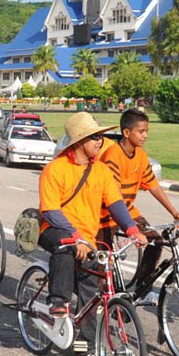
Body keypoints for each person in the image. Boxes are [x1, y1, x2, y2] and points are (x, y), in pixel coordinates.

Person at [38, 112, 147, 324]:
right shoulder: (55, 169)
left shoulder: (101, 170)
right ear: (80, 141)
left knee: (92, 284)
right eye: (95, 137)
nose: (101, 142)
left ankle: (85, 347)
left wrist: (133, 229)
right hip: (53, 229)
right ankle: (59, 300)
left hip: (87, 236)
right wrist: (75, 236)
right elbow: (51, 212)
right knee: (65, 247)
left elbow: (116, 204)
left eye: (101, 137)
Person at [98, 109, 179, 289]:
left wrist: (174, 212)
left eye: (147, 131)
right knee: (102, 263)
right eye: (141, 131)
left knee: (156, 241)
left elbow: (153, 185)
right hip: (106, 215)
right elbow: (113, 197)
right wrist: (130, 228)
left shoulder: (140, 155)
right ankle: (102, 301)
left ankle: (141, 287)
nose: (145, 135)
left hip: (128, 212)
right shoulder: (113, 155)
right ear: (126, 132)